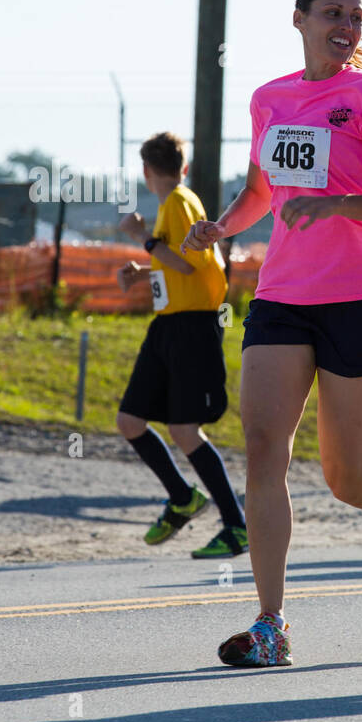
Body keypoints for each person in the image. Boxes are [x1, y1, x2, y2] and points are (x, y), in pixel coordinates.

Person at [181, 0, 362, 667]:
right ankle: (271, 624)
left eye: (355, 15)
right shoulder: (268, 99)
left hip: (361, 294)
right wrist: (222, 226)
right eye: (333, 11)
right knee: (265, 451)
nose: (346, 24)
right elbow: (260, 192)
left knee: (346, 475)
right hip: (282, 295)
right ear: (298, 17)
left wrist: (336, 205)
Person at [114, 132, 248, 558]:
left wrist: (144, 239)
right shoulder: (173, 206)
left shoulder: (179, 201)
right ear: (183, 165)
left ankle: (236, 526)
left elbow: (191, 265)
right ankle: (182, 497)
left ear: (145, 170)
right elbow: (178, 263)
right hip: (167, 326)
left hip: (192, 328)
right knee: (130, 421)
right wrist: (144, 269)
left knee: (186, 429)